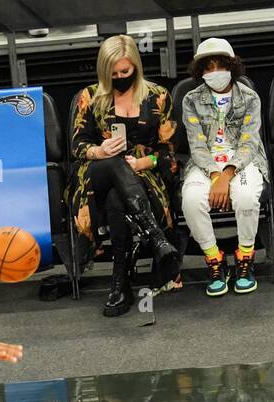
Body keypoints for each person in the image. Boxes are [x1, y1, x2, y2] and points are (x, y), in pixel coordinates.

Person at [66, 33, 184, 317]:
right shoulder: (90, 96)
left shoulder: (157, 96)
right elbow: (76, 145)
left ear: (136, 68)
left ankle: (120, 282)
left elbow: (170, 154)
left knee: (118, 200)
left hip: (141, 176)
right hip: (95, 173)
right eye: (113, 73)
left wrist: (145, 163)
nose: (119, 77)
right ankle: (156, 238)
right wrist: (100, 149)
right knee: (114, 164)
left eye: (125, 72)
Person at [179, 36, 269, 297]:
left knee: (245, 196)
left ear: (232, 66)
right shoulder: (191, 100)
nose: (215, 72)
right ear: (201, 72)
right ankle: (214, 259)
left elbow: (250, 142)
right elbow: (196, 146)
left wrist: (227, 173)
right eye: (208, 67)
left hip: (244, 160)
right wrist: (215, 174)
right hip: (205, 161)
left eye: (220, 66)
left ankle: (245, 258)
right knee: (192, 199)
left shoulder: (250, 98)